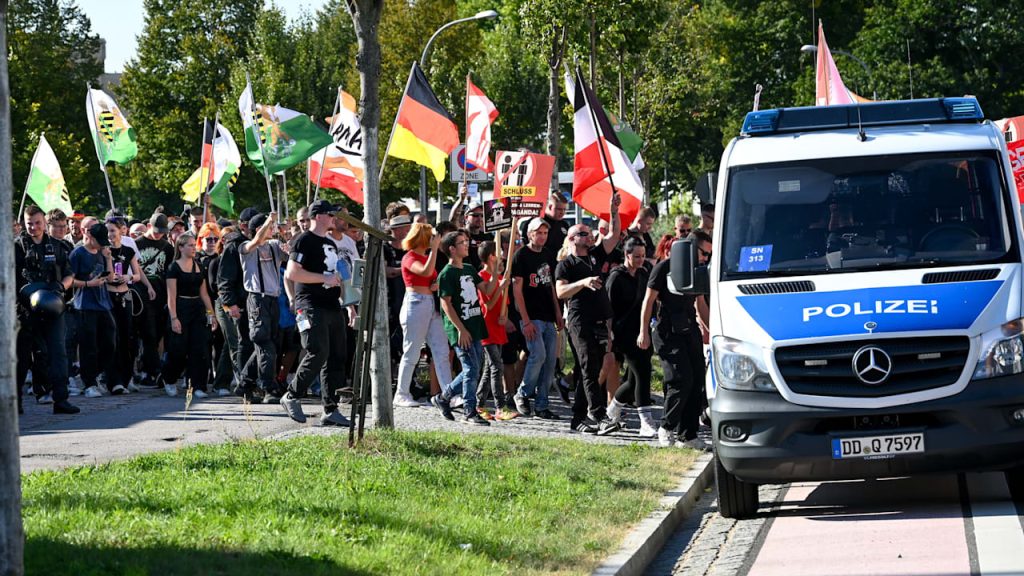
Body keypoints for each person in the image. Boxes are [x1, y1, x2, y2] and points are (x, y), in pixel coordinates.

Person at [554, 193, 622, 434]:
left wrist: (613, 212)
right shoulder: (567, 264)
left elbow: (613, 236)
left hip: (599, 320)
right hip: (579, 320)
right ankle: (599, 414)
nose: (590, 235)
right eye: (585, 233)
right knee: (586, 364)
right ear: (573, 238)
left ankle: (579, 418)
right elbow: (560, 291)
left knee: (592, 369)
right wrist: (583, 282)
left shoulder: (594, 255)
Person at [638, 233, 711, 450]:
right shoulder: (664, 267)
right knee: (681, 379)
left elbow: (700, 304)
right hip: (667, 331)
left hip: (690, 330)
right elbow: (648, 300)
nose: (706, 258)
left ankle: (688, 435)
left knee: (698, 379)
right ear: (689, 248)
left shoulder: (698, 271)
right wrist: (643, 332)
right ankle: (666, 427)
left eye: (709, 254)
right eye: (703, 252)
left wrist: (712, 331)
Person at [280, 199, 350, 427]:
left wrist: (348, 302)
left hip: (332, 304)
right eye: (330, 215)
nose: (333, 219)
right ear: (318, 216)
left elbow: (337, 273)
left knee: (336, 355)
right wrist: (324, 278)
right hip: (310, 303)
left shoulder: (329, 242)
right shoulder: (303, 240)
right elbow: (292, 273)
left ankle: (331, 408)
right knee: (317, 350)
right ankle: (292, 394)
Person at [431, 231, 501, 426]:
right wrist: (460, 329)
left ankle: (443, 398)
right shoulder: (447, 273)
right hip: (460, 329)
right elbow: (446, 303)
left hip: (475, 324)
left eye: (466, 241)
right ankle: (469, 411)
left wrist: (495, 272)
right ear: (452, 249)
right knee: (471, 368)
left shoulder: (469, 269)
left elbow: (486, 290)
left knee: (474, 368)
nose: (466, 245)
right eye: (462, 242)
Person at [16, 205, 78, 415]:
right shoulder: (17, 247)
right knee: (21, 356)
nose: (33, 227)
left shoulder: (58, 247)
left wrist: (61, 287)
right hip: (24, 309)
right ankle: (15, 403)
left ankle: (61, 400)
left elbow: (70, 275)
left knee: (58, 354)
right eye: (29, 223)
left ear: (44, 222)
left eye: (37, 223)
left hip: (52, 306)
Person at [394, 222, 451, 407]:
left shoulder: (425, 256)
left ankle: (448, 393)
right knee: (412, 352)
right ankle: (401, 394)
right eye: (431, 236)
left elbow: (428, 275)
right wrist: (434, 250)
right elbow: (425, 271)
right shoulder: (409, 257)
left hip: (428, 303)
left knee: (441, 350)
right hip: (415, 303)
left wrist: (434, 285)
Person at [510, 217, 562, 420]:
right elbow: (517, 290)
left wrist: (558, 312)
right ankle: (522, 393)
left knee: (550, 361)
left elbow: (551, 287)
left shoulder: (549, 255)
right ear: (530, 234)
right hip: (531, 316)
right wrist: (526, 320)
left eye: (545, 233)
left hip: (548, 314)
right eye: (538, 233)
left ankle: (542, 404)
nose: (542, 236)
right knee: (538, 354)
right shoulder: (521, 255)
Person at [606, 237, 656, 437]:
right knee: (643, 371)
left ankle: (613, 409)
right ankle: (646, 421)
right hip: (623, 332)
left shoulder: (645, 273)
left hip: (643, 329)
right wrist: (609, 337)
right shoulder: (616, 277)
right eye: (636, 256)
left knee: (633, 379)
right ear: (626, 255)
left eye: (643, 256)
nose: (641, 260)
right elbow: (607, 309)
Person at [239, 212, 288, 402]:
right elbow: (256, 241)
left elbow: (290, 256)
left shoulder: (274, 246)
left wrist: (288, 240)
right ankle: (268, 385)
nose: (273, 229)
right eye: (269, 227)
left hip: (273, 298)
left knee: (268, 344)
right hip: (257, 298)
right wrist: (270, 220)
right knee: (263, 340)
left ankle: (244, 383)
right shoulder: (246, 247)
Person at [160, 233, 215, 397]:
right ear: (181, 247)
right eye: (190, 245)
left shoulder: (199, 265)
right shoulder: (173, 268)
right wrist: (174, 318)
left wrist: (211, 314)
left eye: (194, 245)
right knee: (178, 348)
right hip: (181, 308)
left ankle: (198, 385)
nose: (194, 248)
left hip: (197, 309)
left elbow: (204, 293)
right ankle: (169, 379)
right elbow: (171, 296)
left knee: (200, 348)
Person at [70, 223, 118, 398]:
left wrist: (109, 259)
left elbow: (111, 277)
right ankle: (88, 383)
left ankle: (98, 374)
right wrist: (89, 283)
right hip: (85, 304)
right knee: (88, 345)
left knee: (109, 341)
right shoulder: (78, 254)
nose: (101, 245)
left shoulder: (102, 253)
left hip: (103, 303)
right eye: (99, 241)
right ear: (89, 236)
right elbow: (69, 280)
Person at [217, 207, 257, 399]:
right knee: (245, 343)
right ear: (243, 226)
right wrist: (231, 304)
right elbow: (224, 278)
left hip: (258, 302)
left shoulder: (257, 244)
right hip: (241, 303)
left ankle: (253, 381)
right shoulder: (234, 246)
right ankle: (245, 385)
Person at [476, 240, 517, 420]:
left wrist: (505, 316)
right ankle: (500, 406)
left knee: (489, 368)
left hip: (497, 328)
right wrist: (500, 287)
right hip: (486, 328)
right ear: (491, 256)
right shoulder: (482, 277)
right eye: (498, 251)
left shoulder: (500, 278)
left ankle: (479, 403)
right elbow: (488, 304)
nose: (501, 254)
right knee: (496, 366)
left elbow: (504, 304)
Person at [134, 212, 175, 388]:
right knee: (148, 332)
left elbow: (168, 272)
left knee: (158, 333)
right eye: (156, 230)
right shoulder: (137, 244)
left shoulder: (167, 247)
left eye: (162, 231)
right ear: (149, 226)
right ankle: (152, 370)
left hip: (160, 293)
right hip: (141, 294)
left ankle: (149, 368)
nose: (159, 234)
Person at [105, 218, 144, 394]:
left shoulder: (128, 250)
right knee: (112, 339)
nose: (110, 234)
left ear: (121, 231)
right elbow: (107, 275)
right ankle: (114, 381)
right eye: (107, 231)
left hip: (125, 295)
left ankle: (127, 377)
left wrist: (128, 278)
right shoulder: (103, 251)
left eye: (113, 230)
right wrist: (107, 257)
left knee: (127, 337)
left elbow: (137, 275)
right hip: (108, 296)